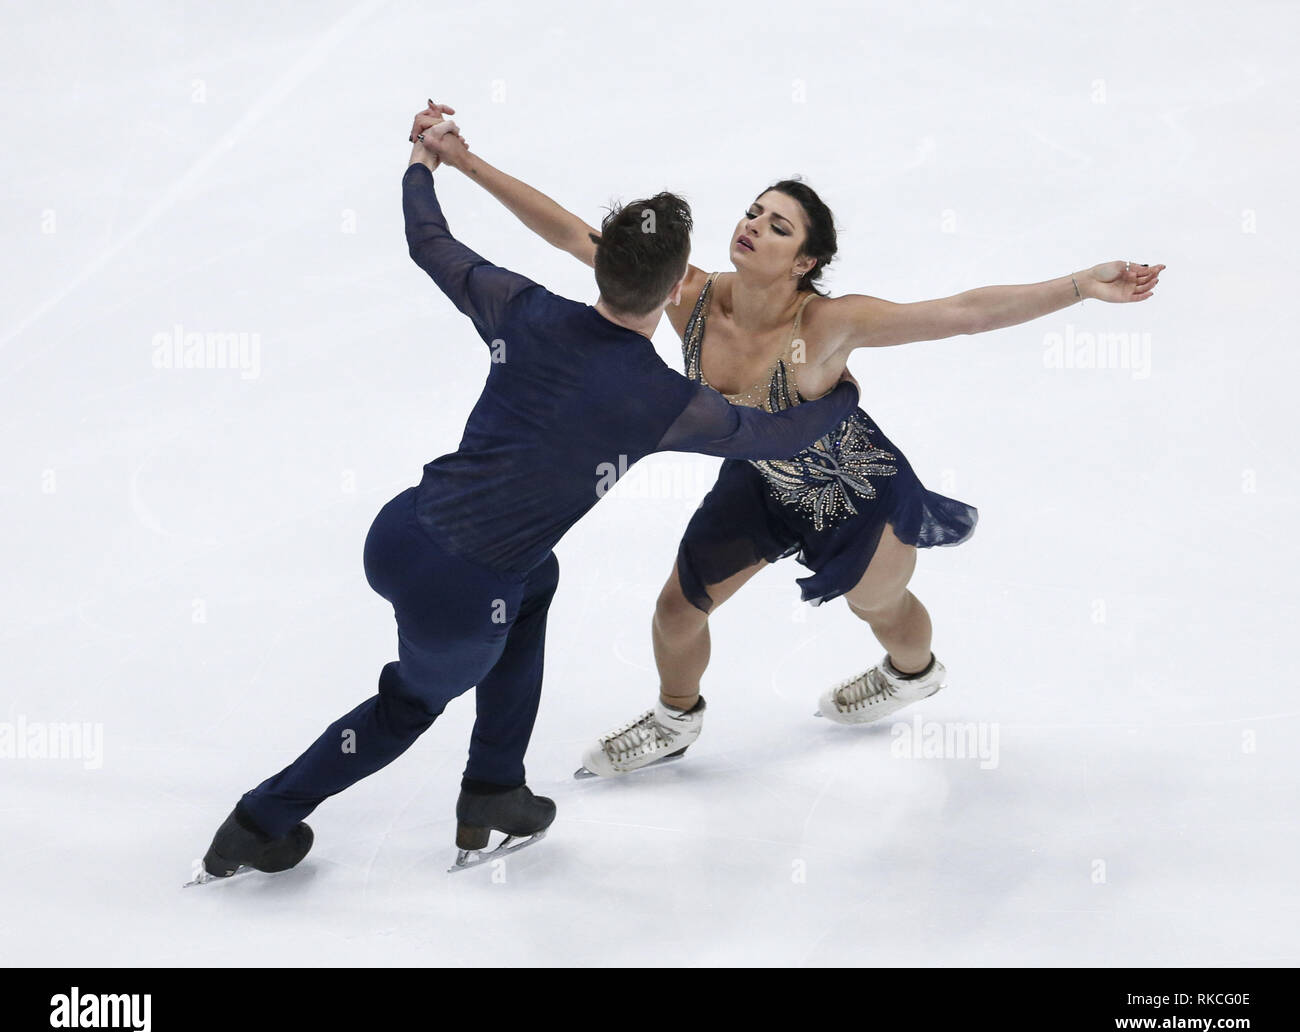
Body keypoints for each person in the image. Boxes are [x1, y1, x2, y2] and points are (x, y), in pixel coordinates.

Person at [192, 106, 864, 880]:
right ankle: (259, 820)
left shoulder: (521, 306)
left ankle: (495, 787)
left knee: (535, 577)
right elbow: (771, 437)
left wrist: (423, 163)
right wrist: (840, 395)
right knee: (408, 703)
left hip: (400, 532)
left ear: (600, 263)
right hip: (459, 595)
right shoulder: (662, 399)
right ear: (681, 284)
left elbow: (428, 242)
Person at [412, 103, 1166, 778]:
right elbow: (583, 239)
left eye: (779, 226)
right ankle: (676, 720)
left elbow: (963, 312)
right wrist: (465, 161)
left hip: (858, 496)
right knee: (677, 610)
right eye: (753, 212)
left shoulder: (830, 324)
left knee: (882, 609)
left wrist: (1079, 285)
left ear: (805, 261)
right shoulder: (693, 296)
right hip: (758, 484)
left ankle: (914, 672)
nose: (754, 226)